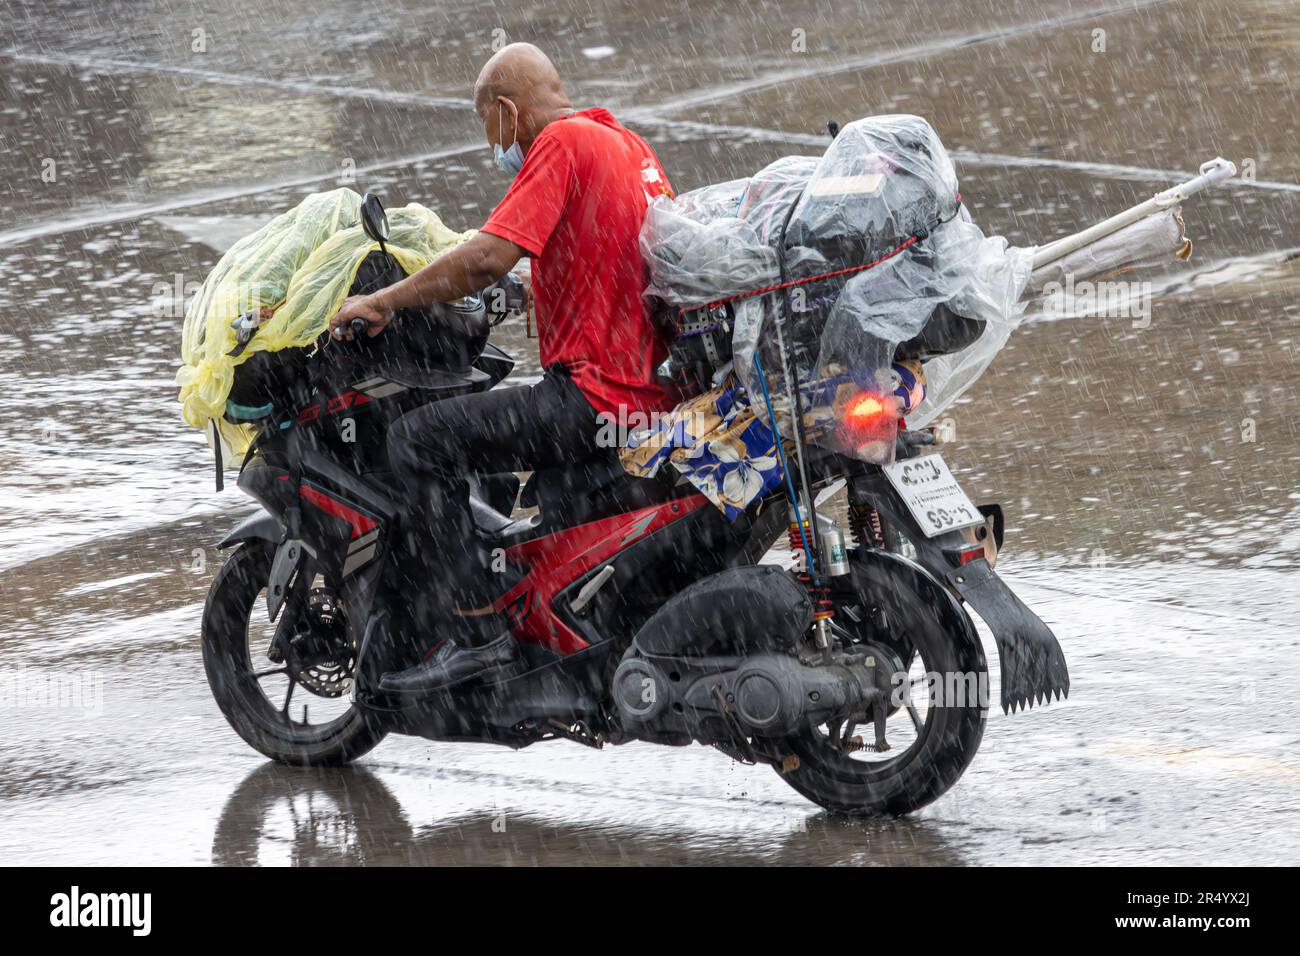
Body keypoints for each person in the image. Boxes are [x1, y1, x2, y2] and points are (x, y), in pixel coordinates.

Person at [328, 43, 675, 694]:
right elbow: (609, 255)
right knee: (488, 434)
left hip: (595, 397)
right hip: (649, 390)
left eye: (488, 128)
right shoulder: (625, 143)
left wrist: (382, 300)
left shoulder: (559, 143)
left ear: (508, 112)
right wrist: (525, 288)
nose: (495, 148)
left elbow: (484, 257)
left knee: (417, 439)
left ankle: (475, 623)